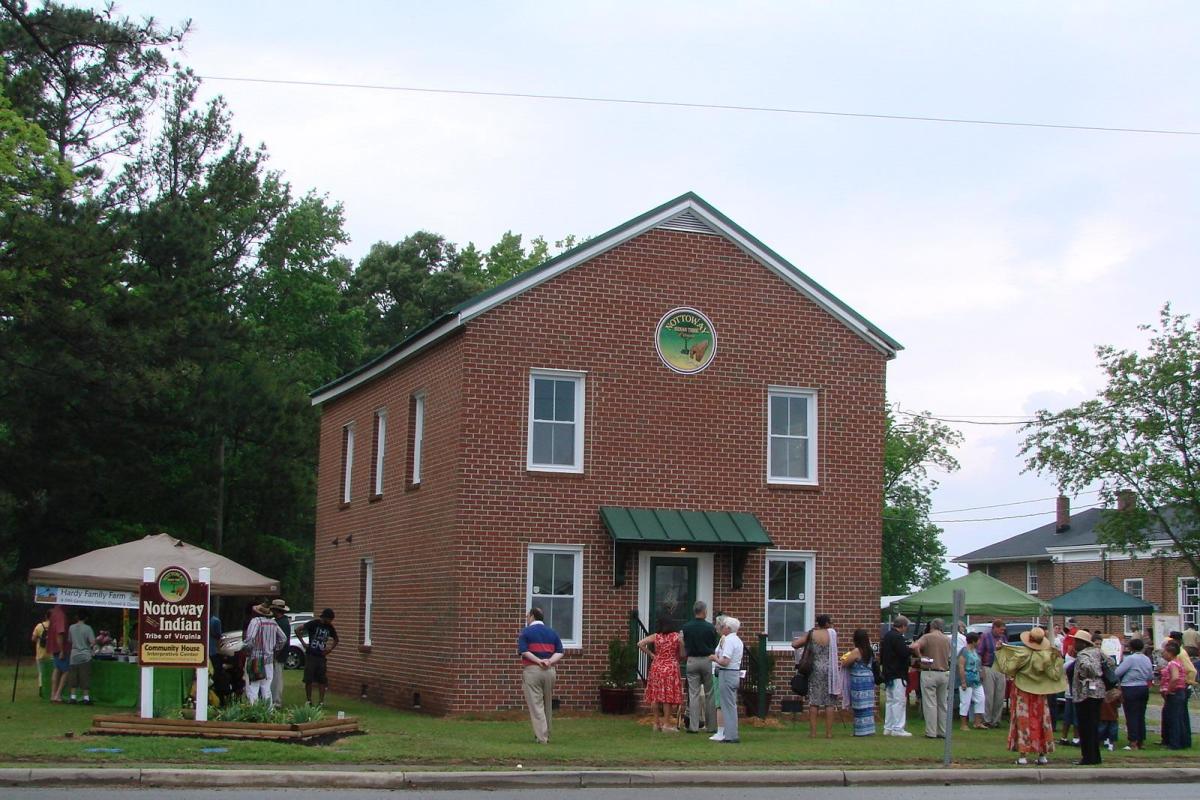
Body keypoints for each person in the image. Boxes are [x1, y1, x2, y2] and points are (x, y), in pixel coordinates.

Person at [996, 626, 1065, 765]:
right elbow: (1055, 675)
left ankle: (1023, 756)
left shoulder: (1022, 654)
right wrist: (1057, 658)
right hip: (1040, 693)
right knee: (1041, 722)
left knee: (1023, 722)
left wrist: (1000, 652)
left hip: (1023, 692)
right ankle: (1042, 755)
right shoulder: (1046, 656)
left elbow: (1008, 668)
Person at [517, 607, 562, 744]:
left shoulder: (526, 632)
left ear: (532, 616)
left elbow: (524, 651)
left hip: (533, 670)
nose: (527, 619)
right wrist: (549, 661)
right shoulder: (552, 632)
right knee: (547, 703)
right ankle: (546, 734)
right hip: (550, 671)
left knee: (536, 705)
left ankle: (542, 738)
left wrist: (538, 661)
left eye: (527, 616)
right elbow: (560, 651)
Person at [793, 614, 842, 738]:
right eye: (830, 622)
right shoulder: (832, 634)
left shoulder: (812, 634)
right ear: (826, 623)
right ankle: (829, 733)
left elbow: (795, 644)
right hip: (830, 669)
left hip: (815, 668)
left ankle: (813, 733)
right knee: (829, 702)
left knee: (814, 701)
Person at [680, 600, 719, 734]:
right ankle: (712, 726)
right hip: (707, 660)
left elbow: (683, 645)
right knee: (710, 694)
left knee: (694, 694)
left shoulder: (686, 627)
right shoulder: (710, 628)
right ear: (704, 611)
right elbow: (715, 646)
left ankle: (693, 726)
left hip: (692, 661)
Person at [639, 617, 684, 732]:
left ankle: (656, 723)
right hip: (670, 668)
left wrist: (651, 654)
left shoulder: (656, 636)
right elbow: (683, 654)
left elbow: (640, 643)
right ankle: (666, 724)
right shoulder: (676, 636)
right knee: (667, 696)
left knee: (655, 695)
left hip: (657, 667)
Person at [1071, 629, 1105, 765]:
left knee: (1085, 727)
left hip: (1085, 694)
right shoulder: (1099, 652)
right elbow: (1110, 662)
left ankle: (1088, 757)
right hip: (1099, 693)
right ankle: (1095, 757)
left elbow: (1087, 667)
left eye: (1076, 641)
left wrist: (1086, 675)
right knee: (1094, 725)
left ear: (1083, 643)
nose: (1074, 644)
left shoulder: (1082, 655)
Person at [242, 602, 287, 705]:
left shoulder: (255, 621)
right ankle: (268, 711)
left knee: (253, 687)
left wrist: (246, 648)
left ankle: (254, 710)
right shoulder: (273, 623)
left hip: (255, 658)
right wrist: (276, 649)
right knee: (266, 687)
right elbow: (283, 638)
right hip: (269, 659)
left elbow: (250, 639)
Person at [913, 618, 951, 739]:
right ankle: (942, 731)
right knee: (942, 703)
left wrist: (921, 657)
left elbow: (914, 646)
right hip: (944, 672)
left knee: (930, 703)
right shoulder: (947, 639)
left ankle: (931, 732)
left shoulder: (927, 637)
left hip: (929, 671)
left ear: (932, 626)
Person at [840, 628, 880, 736]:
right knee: (867, 705)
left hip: (859, 681)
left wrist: (844, 657)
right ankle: (869, 729)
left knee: (859, 706)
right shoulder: (869, 650)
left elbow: (845, 663)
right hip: (869, 679)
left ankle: (860, 731)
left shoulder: (857, 651)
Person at [709, 616, 743, 744]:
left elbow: (725, 661)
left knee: (727, 705)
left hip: (727, 673)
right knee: (731, 705)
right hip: (734, 673)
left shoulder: (729, 641)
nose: (721, 628)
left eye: (723, 626)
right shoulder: (738, 640)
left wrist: (715, 659)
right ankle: (731, 733)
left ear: (728, 628)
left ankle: (730, 735)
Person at [880, 614, 915, 737]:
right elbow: (903, 653)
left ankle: (888, 727)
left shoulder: (887, 636)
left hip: (888, 672)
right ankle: (898, 728)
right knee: (899, 701)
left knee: (890, 700)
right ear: (903, 626)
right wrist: (911, 648)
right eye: (907, 627)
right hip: (898, 673)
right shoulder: (898, 637)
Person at [1115, 637, 1153, 750]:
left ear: (1131, 647)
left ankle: (1133, 741)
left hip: (1130, 688)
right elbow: (1150, 676)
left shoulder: (1130, 659)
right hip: (1143, 687)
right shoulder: (1146, 659)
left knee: (1131, 715)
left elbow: (1117, 672)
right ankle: (1141, 740)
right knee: (1141, 715)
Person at [296, 608, 339, 706]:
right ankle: (309, 700)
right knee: (308, 678)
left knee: (322, 679)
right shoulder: (314, 623)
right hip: (311, 654)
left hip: (321, 656)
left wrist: (329, 649)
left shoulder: (330, 627)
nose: (330, 621)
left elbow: (336, 639)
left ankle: (321, 701)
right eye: (330, 619)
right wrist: (303, 643)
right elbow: (298, 629)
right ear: (325, 617)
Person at [1159, 640, 1192, 750]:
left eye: (1164, 652)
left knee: (1174, 719)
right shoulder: (1177, 662)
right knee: (1175, 718)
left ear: (1170, 653)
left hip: (1175, 693)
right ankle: (1181, 741)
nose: (1163, 654)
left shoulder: (1173, 664)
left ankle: (1174, 744)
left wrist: (1168, 690)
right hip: (1178, 693)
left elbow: (1175, 677)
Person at [978, 619, 1007, 728]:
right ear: (994, 627)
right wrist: (980, 669)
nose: (1002, 632)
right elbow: (979, 653)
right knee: (989, 695)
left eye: (1003, 630)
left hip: (1000, 669)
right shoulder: (985, 637)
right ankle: (986, 719)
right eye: (1000, 629)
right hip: (988, 667)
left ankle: (996, 720)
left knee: (999, 696)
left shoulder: (1003, 638)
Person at [66, 609, 96, 704]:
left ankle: (73, 697)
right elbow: (92, 642)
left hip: (74, 655)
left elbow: (70, 640)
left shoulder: (71, 627)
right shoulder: (88, 628)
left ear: (76, 617)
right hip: (85, 655)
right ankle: (86, 698)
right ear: (86, 618)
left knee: (73, 676)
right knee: (85, 676)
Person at [958, 632, 986, 731]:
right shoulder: (964, 651)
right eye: (978, 640)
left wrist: (982, 673)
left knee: (981, 699)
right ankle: (963, 724)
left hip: (976, 680)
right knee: (965, 702)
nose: (979, 642)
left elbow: (978, 665)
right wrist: (963, 681)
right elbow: (961, 666)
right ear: (973, 641)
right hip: (967, 679)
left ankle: (977, 722)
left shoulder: (975, 651)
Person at [269, 599, 292, 706]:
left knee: (277, 678)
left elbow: (282, 640)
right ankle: (274, 699)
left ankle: (277, 701)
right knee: (275, 677)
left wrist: (275, 653)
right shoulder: (282, 621)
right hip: (279, 653)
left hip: (279, 654)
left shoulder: (282, 623)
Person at [47, 604, 70, 703]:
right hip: (60, 648)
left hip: (53, 647)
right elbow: (59, 633)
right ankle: (58, 694)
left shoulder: (54, 612)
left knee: (57, 669)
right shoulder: (61, 615)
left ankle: (53, 694)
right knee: (67, 671)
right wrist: (62, 650)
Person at [31, 610, 50, 693]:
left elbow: (33, 638)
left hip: (40, 652)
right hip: (51, 653)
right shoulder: (55, 626)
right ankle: (50, 687)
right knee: (51, 671)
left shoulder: (39, 626)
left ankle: (41, 687)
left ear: (46, 616)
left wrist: (40, 639)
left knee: (41, 671)